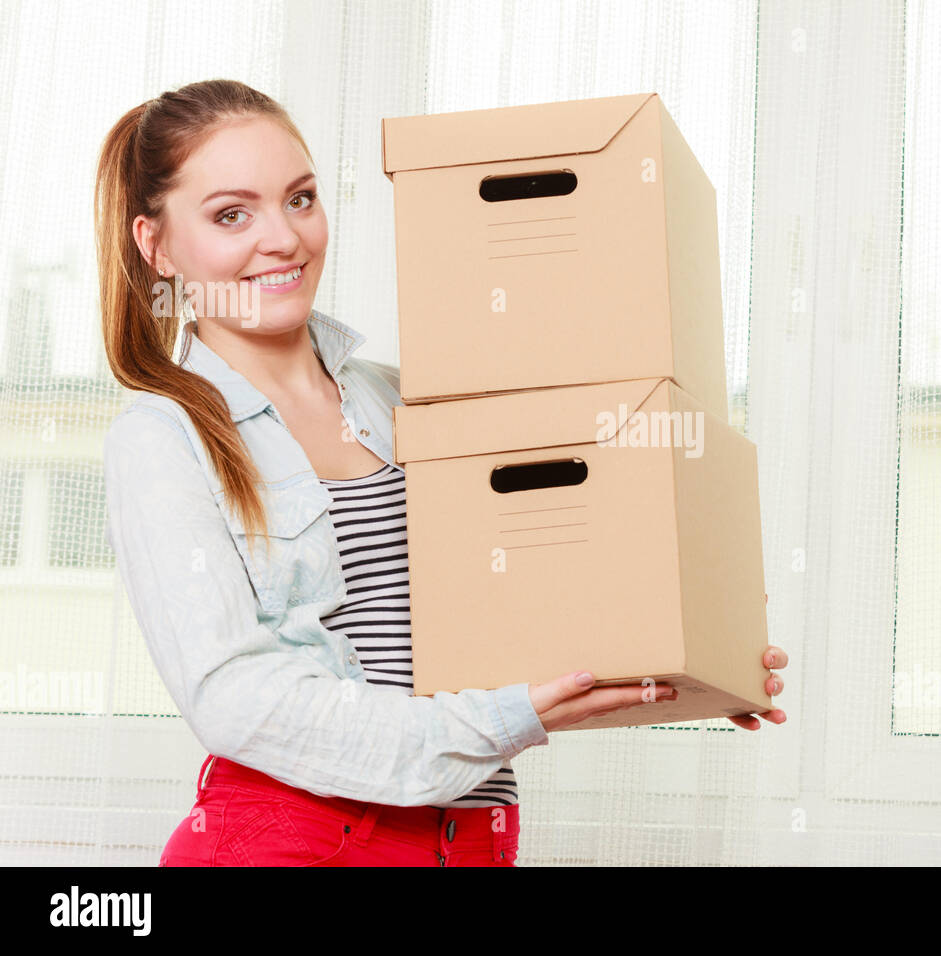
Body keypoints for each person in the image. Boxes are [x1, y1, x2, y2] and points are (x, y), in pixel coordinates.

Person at [94, 79, 788, 867]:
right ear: (154, 244)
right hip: (296, 841)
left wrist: (689, 646)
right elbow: (234, 699)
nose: (283, 238)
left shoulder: (410, 400)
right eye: (231, 214)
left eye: (301, 198)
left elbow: (532, 592)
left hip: (474, 839)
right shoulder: (161, 439)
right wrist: (500, 721)